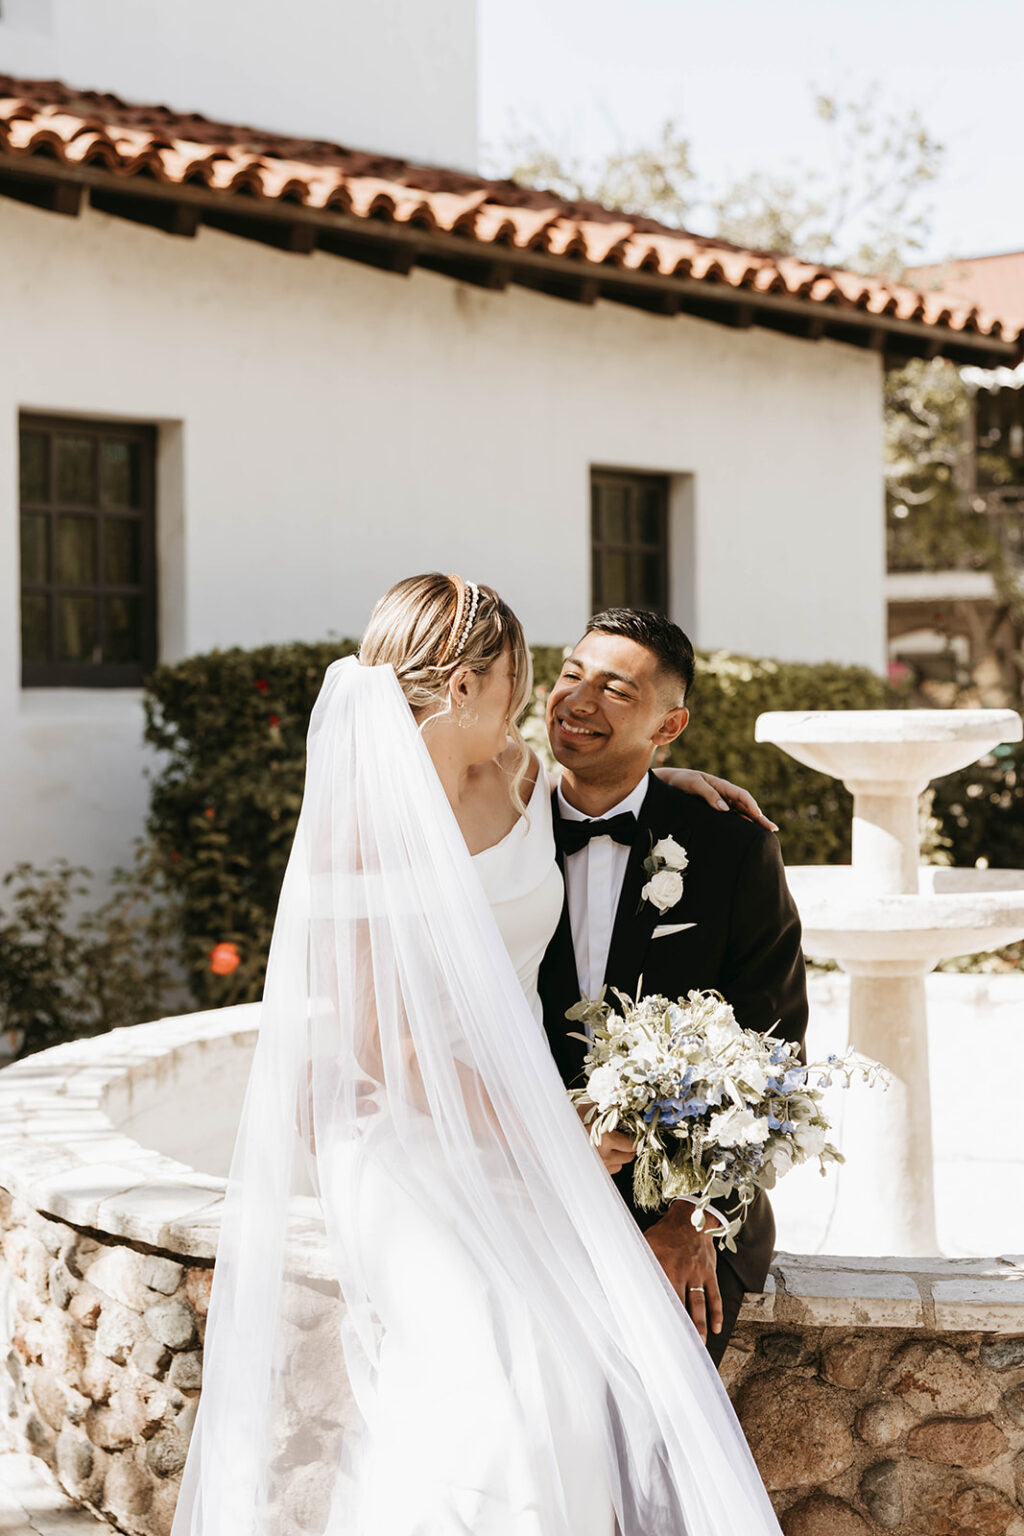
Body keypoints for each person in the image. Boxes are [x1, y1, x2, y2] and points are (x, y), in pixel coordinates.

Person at [172, 574, 785, 1536]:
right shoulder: (363, 817)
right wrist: (553, 1131)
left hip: (525, 1138)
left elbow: (598, 786)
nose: (552, 697)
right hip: (407, 1142)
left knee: (568, 1385)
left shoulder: (522, 777)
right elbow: (384, 1044)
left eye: (600, 687)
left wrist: (673, 790)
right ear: (464, 685)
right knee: (495, 1383)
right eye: (537, 674)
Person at [538, 607, 808, 1366]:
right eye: (570, 676)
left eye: (616, 691)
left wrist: (695, 1217)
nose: (579, 701)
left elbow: (774, 1044)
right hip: (521, 1191)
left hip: (675, 1209)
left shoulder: (730, 845)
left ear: (670, 725)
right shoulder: (496, 829)